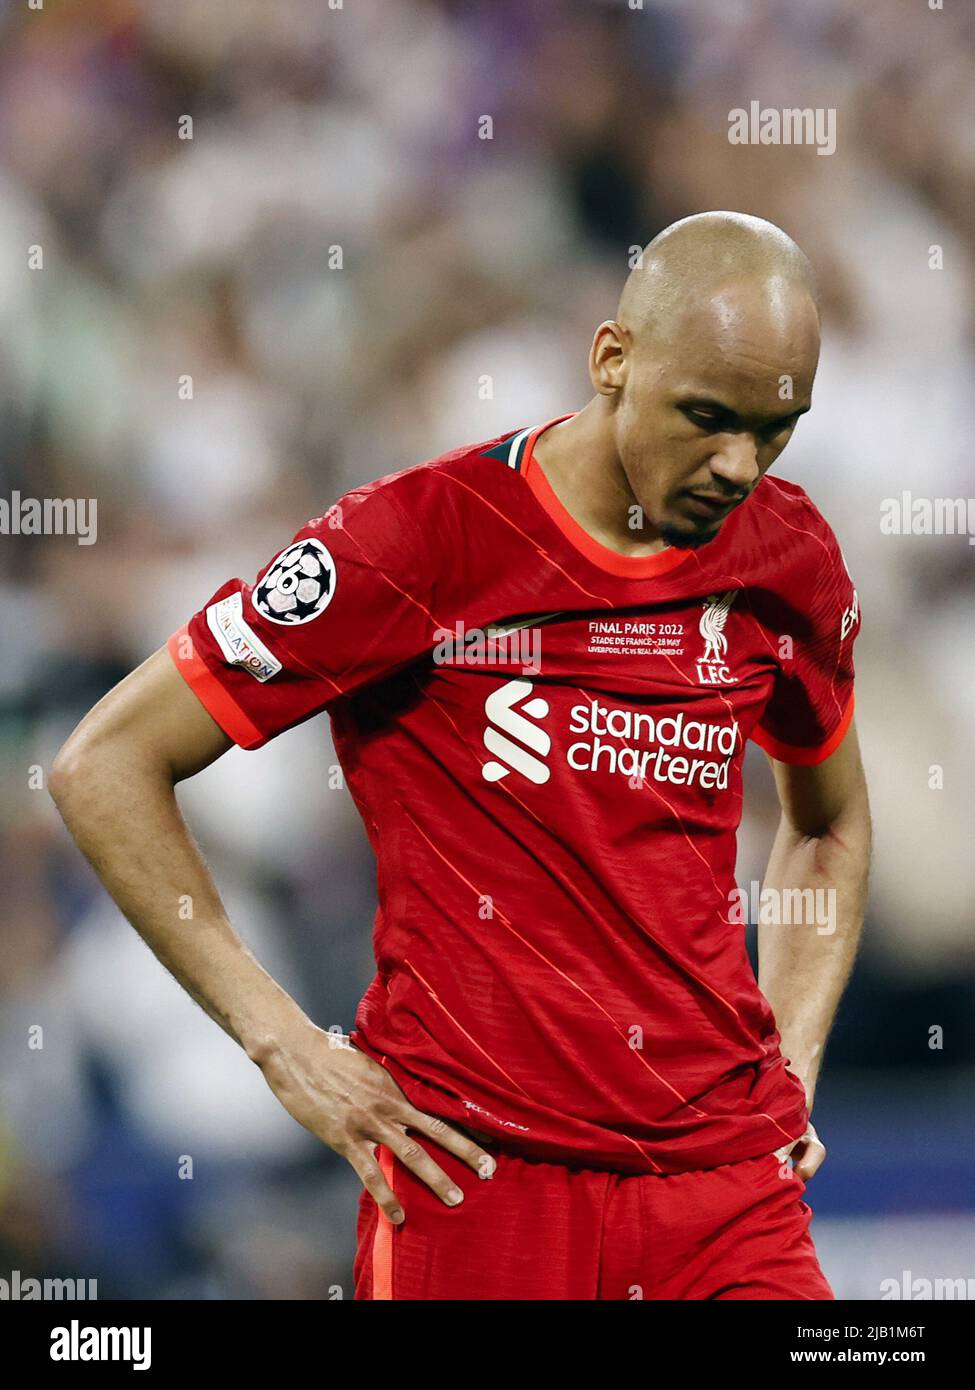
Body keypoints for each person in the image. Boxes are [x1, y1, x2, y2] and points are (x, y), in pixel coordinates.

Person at [50, 211, 871, 1300]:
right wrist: (283, 1044)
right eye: (707, 417)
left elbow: (828, 824)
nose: (737, 464)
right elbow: (104, 762)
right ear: (612, 359)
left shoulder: (787, 555)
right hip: (476, 1181)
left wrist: (797, 1061)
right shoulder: (418, 541)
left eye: (776, 429)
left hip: (723, 1185)